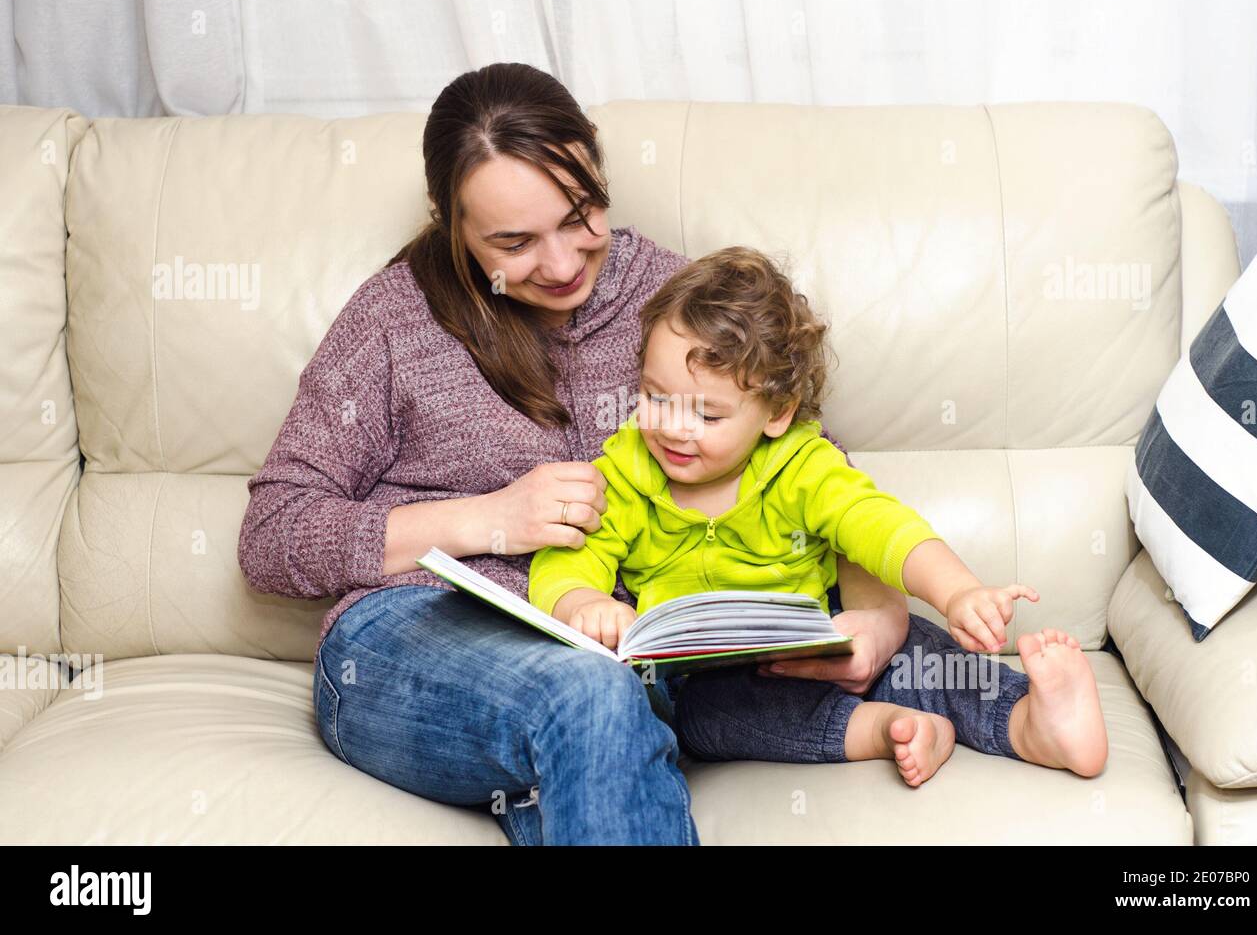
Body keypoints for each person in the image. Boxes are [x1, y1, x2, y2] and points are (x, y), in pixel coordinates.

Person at [236, 61, 1065, 846]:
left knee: (606, 723)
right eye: (515, 242)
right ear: (448, 222)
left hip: (635, 669)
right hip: (406, 642)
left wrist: (877, 619)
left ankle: (1030, 718)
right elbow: (272, 535)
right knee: (592, 699)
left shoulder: (664, 293)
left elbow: (812, 471)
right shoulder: (392, 322)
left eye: (578, 217)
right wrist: (488, 521)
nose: (562, 264)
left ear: (598, 171)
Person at [528, 245, 1109, 786]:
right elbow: (571, 552)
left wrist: (958, 591)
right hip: (707, 675)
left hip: (820, 630)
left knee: (923, 658)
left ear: (776, 412)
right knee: (707, 719)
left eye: (707, 416)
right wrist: (582, 603)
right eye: (656, 398)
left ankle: (1030, 721)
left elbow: (878, 524)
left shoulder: (802, 464)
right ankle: (884, 731)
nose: (673, 428)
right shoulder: (626, 469)